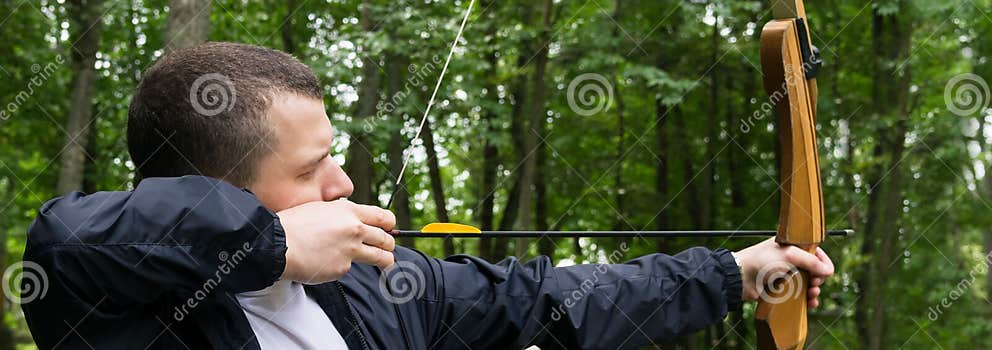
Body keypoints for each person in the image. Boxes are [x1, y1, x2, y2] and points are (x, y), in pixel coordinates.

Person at [22, 42, 834, 350]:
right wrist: (267, 245)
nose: (342, 187)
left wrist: (737, 274)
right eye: (309, 173)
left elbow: (558, 298)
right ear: (208, 188)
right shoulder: (123, 316)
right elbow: (65, 245)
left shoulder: (375, 290)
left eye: (332, 158)